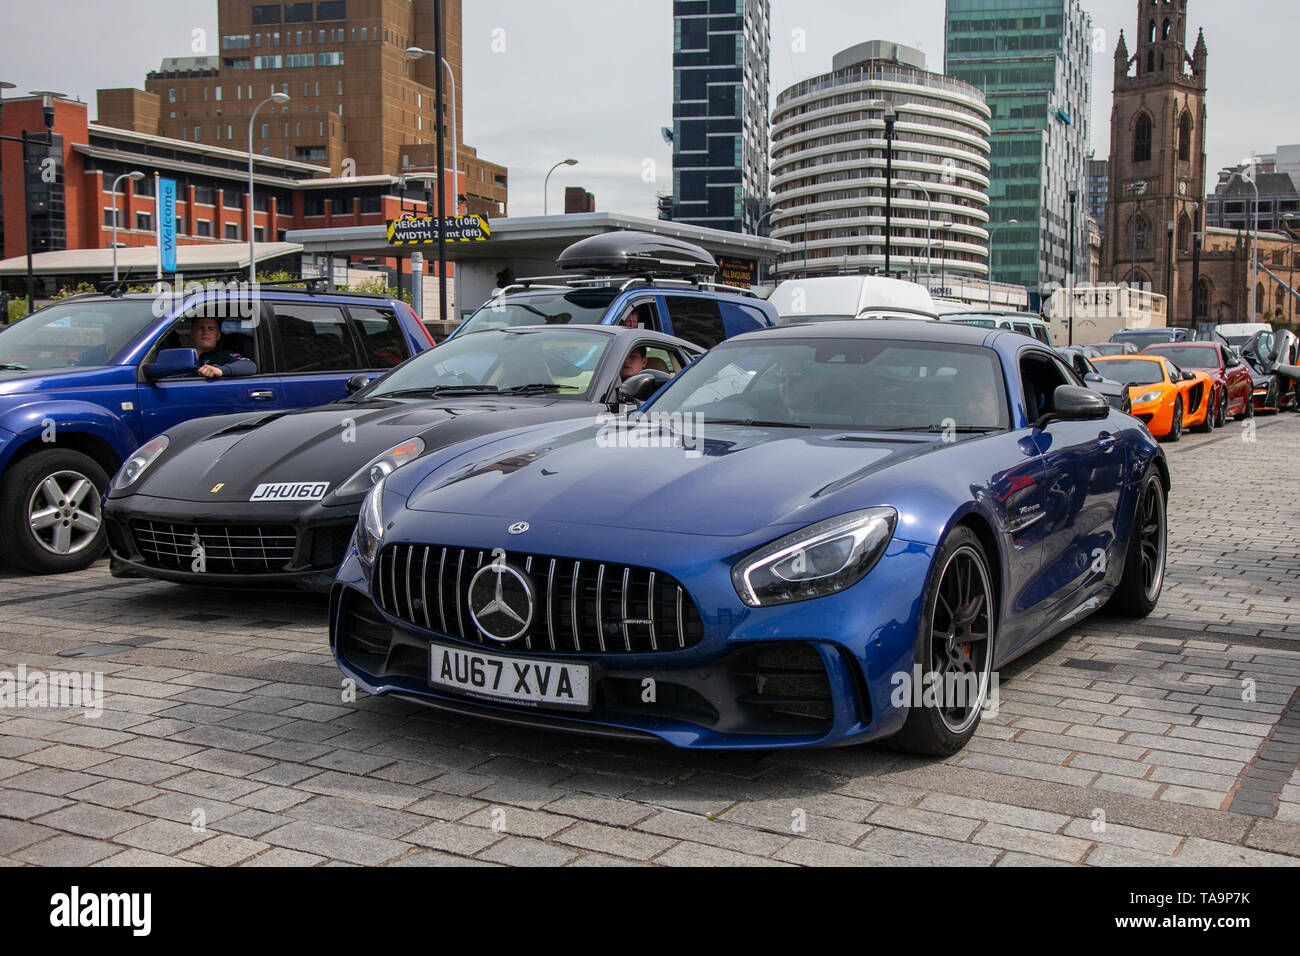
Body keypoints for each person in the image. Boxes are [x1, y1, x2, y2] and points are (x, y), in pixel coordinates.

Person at [190, 316, 255, 379]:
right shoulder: (183, 356)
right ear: (192, 334)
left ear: (218, 335)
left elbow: (250, 366)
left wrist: (220, 370)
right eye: (201, 328)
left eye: (210, 328)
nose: (205, 332)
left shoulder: (224, 355)